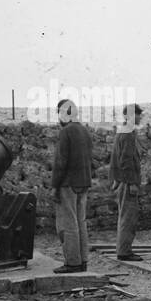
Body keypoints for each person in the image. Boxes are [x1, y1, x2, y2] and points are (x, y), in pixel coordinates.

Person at [51, 98, 92, 274]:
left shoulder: (66, 132)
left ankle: (72, 263)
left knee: (68, 224)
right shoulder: (84, 131)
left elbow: (61, 162)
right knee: (81, 223)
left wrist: (55, 186)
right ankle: (82, 261)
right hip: (83, 183)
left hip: (67, 184)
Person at [109, 103, 145, 261]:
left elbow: (116, 159)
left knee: (125, 216)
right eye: (136, 114)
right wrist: (132, 183)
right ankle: (124, 252)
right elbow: (126, 161)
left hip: (123, 181)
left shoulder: (124, 131)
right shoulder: (128, 133)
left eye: (138, 114)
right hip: (128, 182)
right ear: (127, 116)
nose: (139, 117)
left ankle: (123, 249)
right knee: (128, 217)